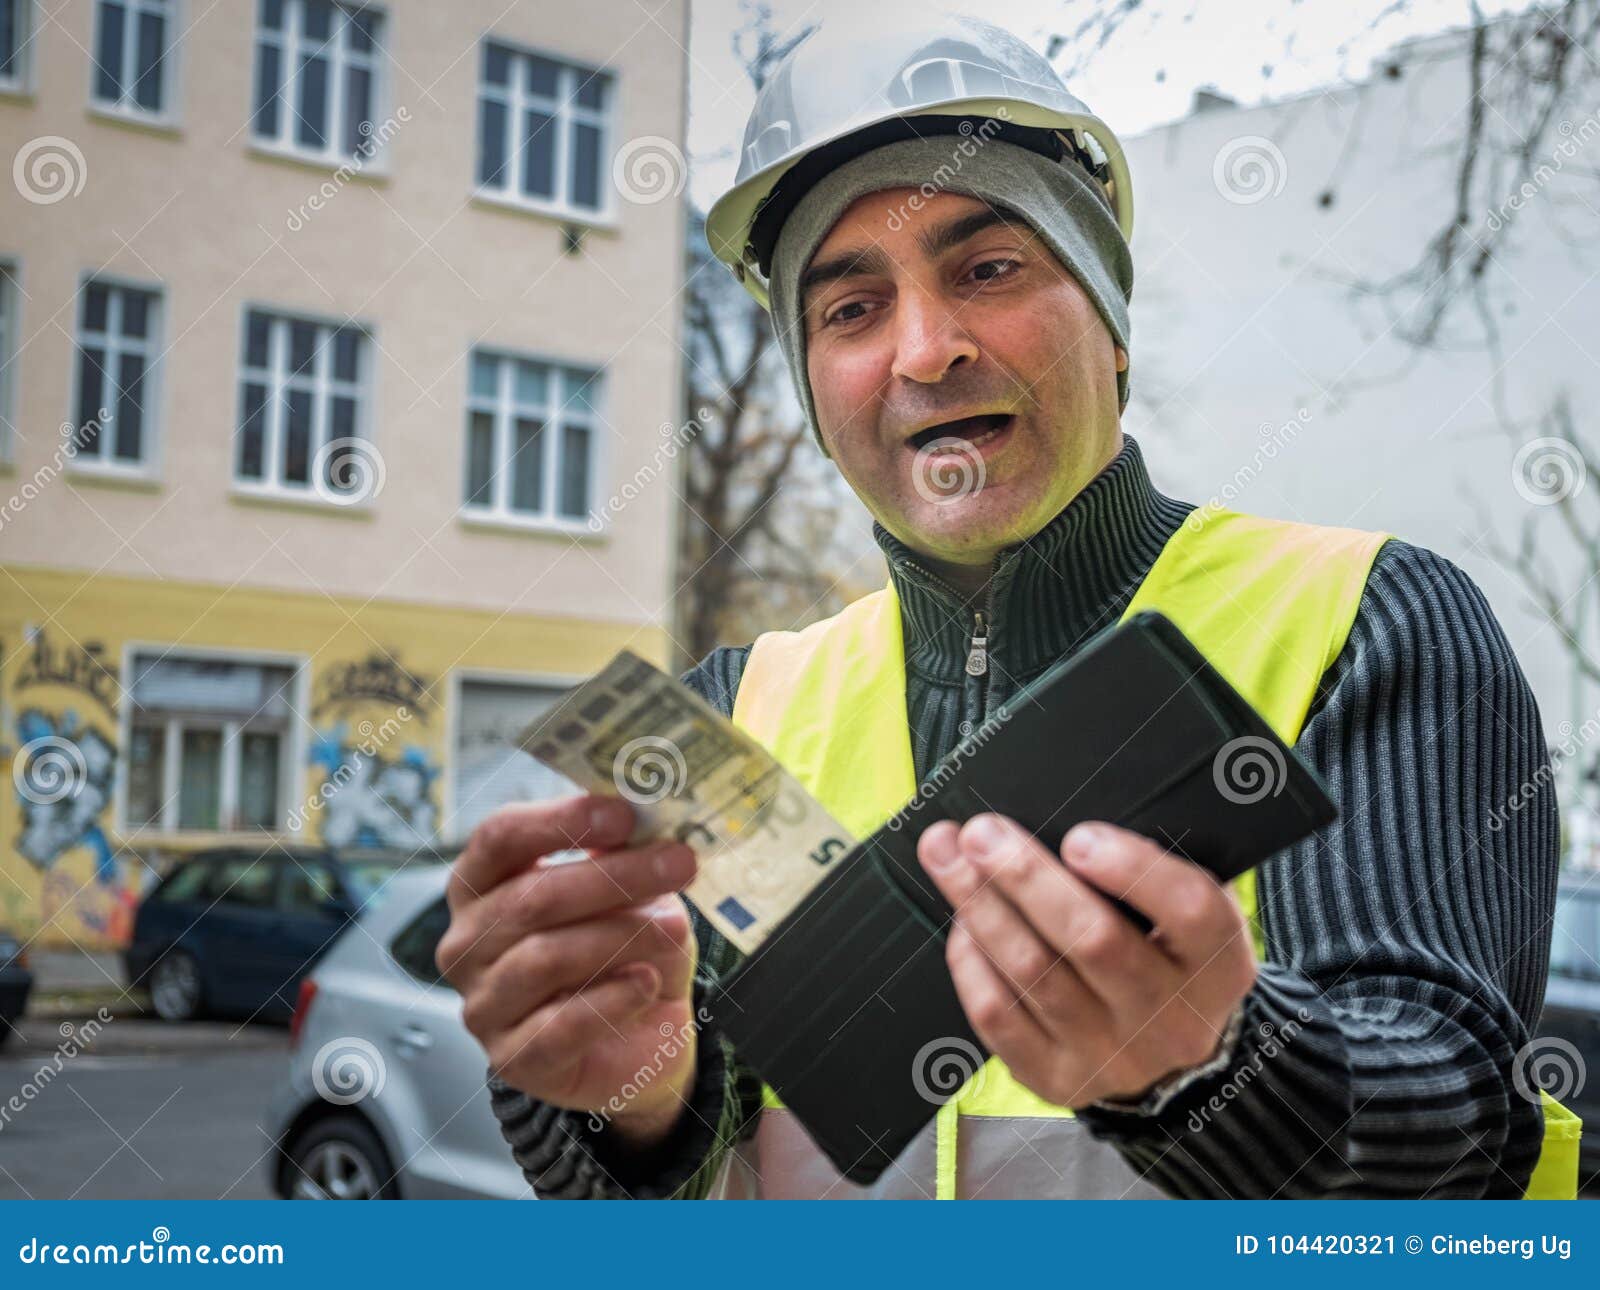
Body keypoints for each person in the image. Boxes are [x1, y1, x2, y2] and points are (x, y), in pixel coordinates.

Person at [437, 15, 1575, 1199]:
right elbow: (670, 1183)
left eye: (987, 269)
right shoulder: (729, 718)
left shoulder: (1363, 621)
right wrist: (628, 1103)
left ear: (1113, 329)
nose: (925, 351)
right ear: (814, 393)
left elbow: (1450, 1138)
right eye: (850, 308)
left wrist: (1218, 1070)